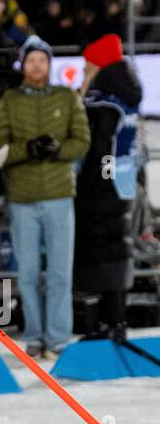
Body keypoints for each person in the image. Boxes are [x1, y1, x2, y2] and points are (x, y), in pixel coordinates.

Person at [0, 35, 89, 359]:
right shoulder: (8, 100)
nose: (37, 65)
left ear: (50, 64)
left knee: (61, 272)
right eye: (31, 59)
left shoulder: (67, 97)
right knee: (29, 274)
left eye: (42, 60)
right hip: (23, 198)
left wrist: (59, 149)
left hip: (59, 195)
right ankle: (34, 336)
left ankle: (58, 339)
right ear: (24, 64)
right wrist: (28, 150)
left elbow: (83, 141)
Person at [74, 34, 141, 341]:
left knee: (102, 252)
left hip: (103, 188)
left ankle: (106, 322)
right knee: (117, 249)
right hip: (123, 185)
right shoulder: (124, 98)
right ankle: (116, 318)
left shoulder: (102, 103)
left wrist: (86, 187)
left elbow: (98, 152)